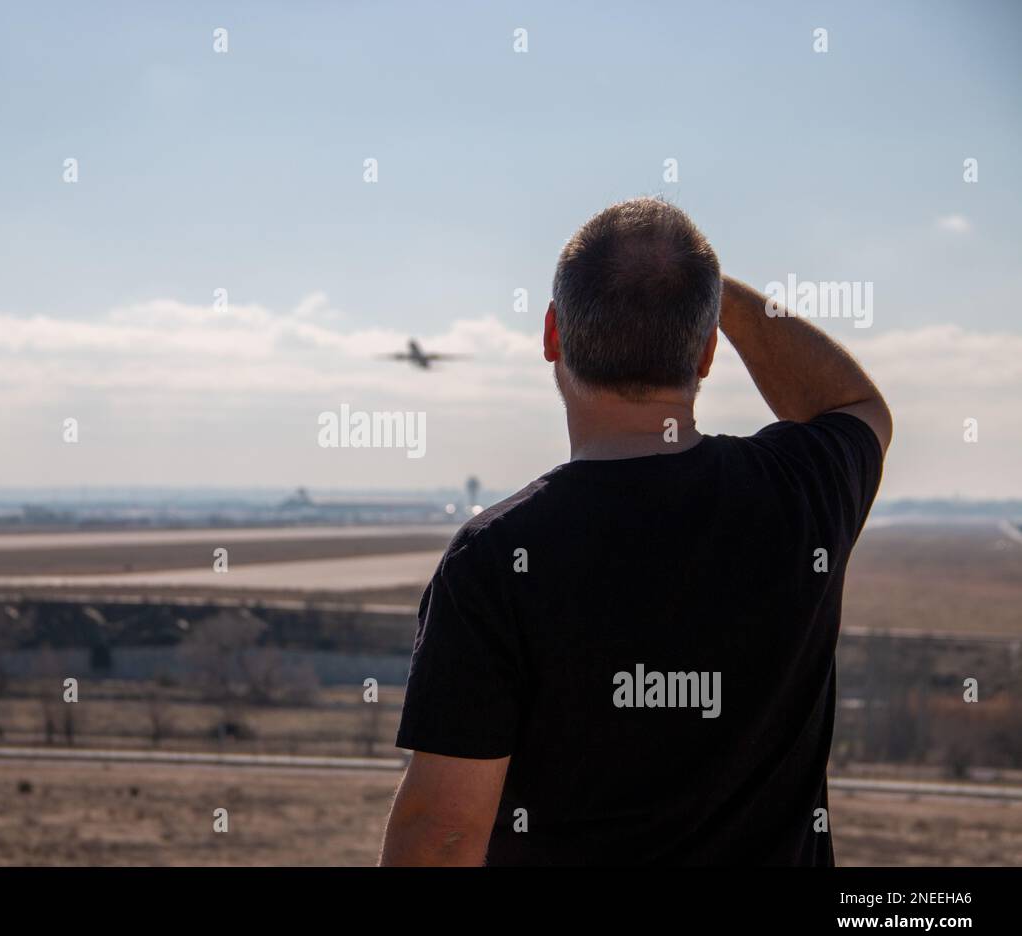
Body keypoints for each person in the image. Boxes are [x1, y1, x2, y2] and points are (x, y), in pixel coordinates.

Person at [379, 197, 891, 866]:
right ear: (708, 351)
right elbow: (854, 404)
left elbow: (444, 836)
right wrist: (701, 288)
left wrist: (667, 285)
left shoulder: (498, 559)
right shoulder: (800, 494)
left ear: (551, 337)